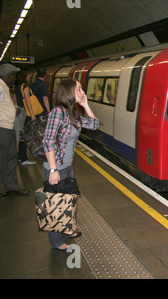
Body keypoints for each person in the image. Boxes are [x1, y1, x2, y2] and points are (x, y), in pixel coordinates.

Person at [42, 78, 99, 252]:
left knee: (69, 200)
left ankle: (68, 229)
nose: (83, 92)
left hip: (67, 166)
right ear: (68, 93)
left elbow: (94, 124)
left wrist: (86, 104)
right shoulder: (57, 113)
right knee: (57, 205)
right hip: (56, 167)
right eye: (79, 89)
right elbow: (48, 142)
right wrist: (53, 170)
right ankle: (57, 242)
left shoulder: (72, 113)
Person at [0, 64, 29, 201]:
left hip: (8, 127)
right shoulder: (0, 87)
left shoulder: (4, 87)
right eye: (14, 75)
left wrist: (12, 109)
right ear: (9, 76)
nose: (15, 78)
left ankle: (11, 187)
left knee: (11, 158)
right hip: (2, 129)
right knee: (1, 159)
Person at [13, 71, 36, 166]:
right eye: (26, 77)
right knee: (25, 135)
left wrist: (16, 108)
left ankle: (20, 157)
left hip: (20, 112)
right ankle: (23, 158)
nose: (28, 78)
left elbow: (13, 100)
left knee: (22, 134)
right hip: (25, 114)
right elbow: (27, 101)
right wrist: (32, 114)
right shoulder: (25, 87)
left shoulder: (17, 87)